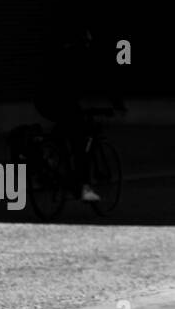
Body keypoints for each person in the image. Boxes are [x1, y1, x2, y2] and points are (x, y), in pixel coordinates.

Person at [33, 28, 126, 201]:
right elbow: (103, 80)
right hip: (60, 99)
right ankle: (81, 187)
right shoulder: (82, 57)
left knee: (65, 128)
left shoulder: (61, 52)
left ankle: (50, 158)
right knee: (80, 140)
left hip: (45, 100)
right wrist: (117, 104)